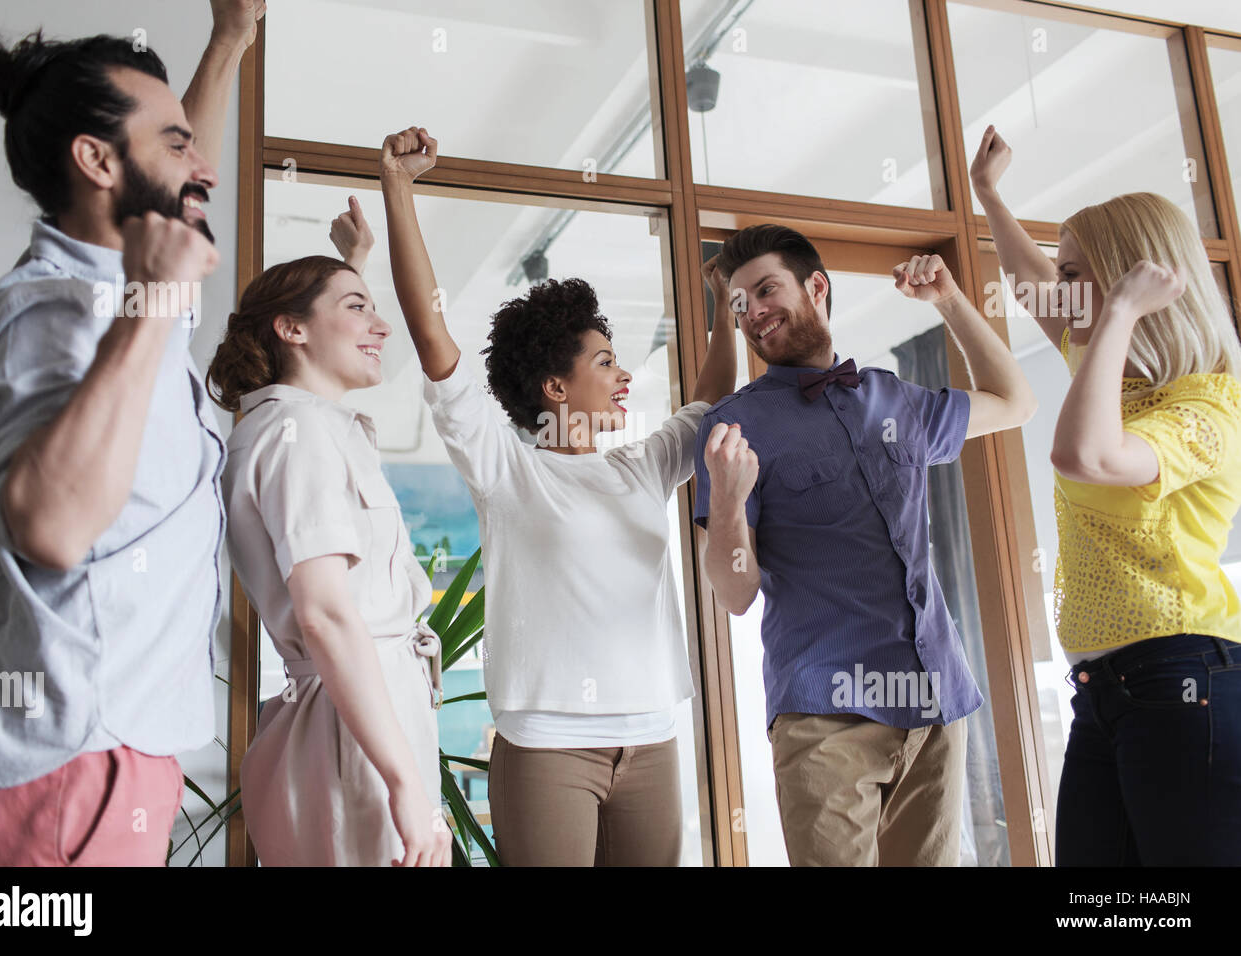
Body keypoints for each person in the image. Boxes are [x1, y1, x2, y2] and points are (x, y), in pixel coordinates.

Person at [345, 127, 737, 866]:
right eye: (607, 363)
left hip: (653, 737)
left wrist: (724, 306)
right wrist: (399, 188)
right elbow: (432, 335)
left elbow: (713, 400)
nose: (625, 379)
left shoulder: (644, 464)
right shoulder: (506, 470)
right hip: (549, 745)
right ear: (556, 388)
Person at [0, 1, 264, 867]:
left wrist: (229, 38)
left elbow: (176, 182)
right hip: (67, 769)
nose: (203, 165)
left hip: (115, 755)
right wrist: (153, 299)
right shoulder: (47, 310)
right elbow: (49, 525)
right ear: (95, 159)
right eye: (175, 141)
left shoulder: (132, 292)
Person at [695, 224, 1038, 866]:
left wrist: (948, 301)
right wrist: (726, 498)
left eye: (767, 290)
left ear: (816, 287)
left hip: (935, 700)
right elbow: (737, 594)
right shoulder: (732, 425)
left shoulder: (894, 397)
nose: (756, 313)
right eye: (741, 305)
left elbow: (1015, 402)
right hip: (826, 714)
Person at [971, 124, 1241, 865]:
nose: (1061, 291)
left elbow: (1082, 454)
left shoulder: (1208, 408)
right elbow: (1033, 290)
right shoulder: (1115, 379)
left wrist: (1117, 311)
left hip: (1186, 677)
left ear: (1132, 281)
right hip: (1103, 689)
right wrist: (989, 196)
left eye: (1079, 274)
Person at [205, 234, 451, 867]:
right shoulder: (301, 433)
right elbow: (325, 614)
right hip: (356, 733)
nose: (382, 326)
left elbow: (310, 323)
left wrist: (351, 266)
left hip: (357, 718)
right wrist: (402, 783)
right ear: (291, 329)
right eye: (359, 307)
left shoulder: (292, 424)